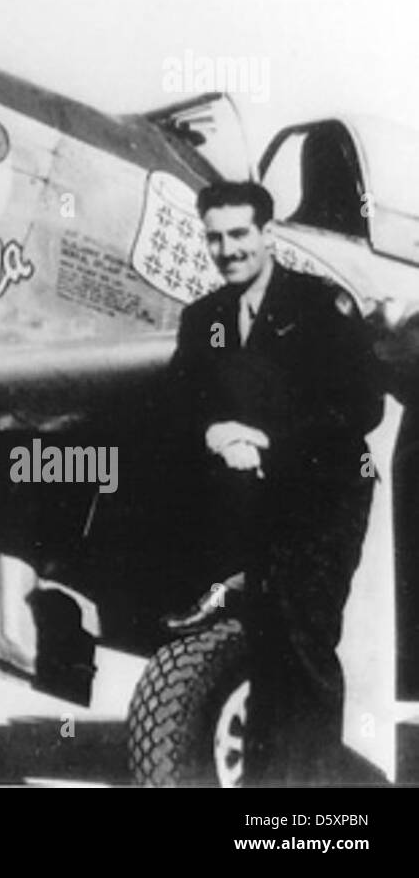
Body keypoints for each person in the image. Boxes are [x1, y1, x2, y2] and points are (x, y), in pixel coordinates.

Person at [166, 179, 383, 786]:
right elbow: (180, 403)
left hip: (323, 498)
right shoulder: (204, 317)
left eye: (239, 234)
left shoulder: (320, 306)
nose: (227, 248)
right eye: (214, 236)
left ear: (268, 234)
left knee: (305, 648)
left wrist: (266, 441)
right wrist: (215, 433)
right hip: (255, 504)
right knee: (265, 646)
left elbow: (360, 407)